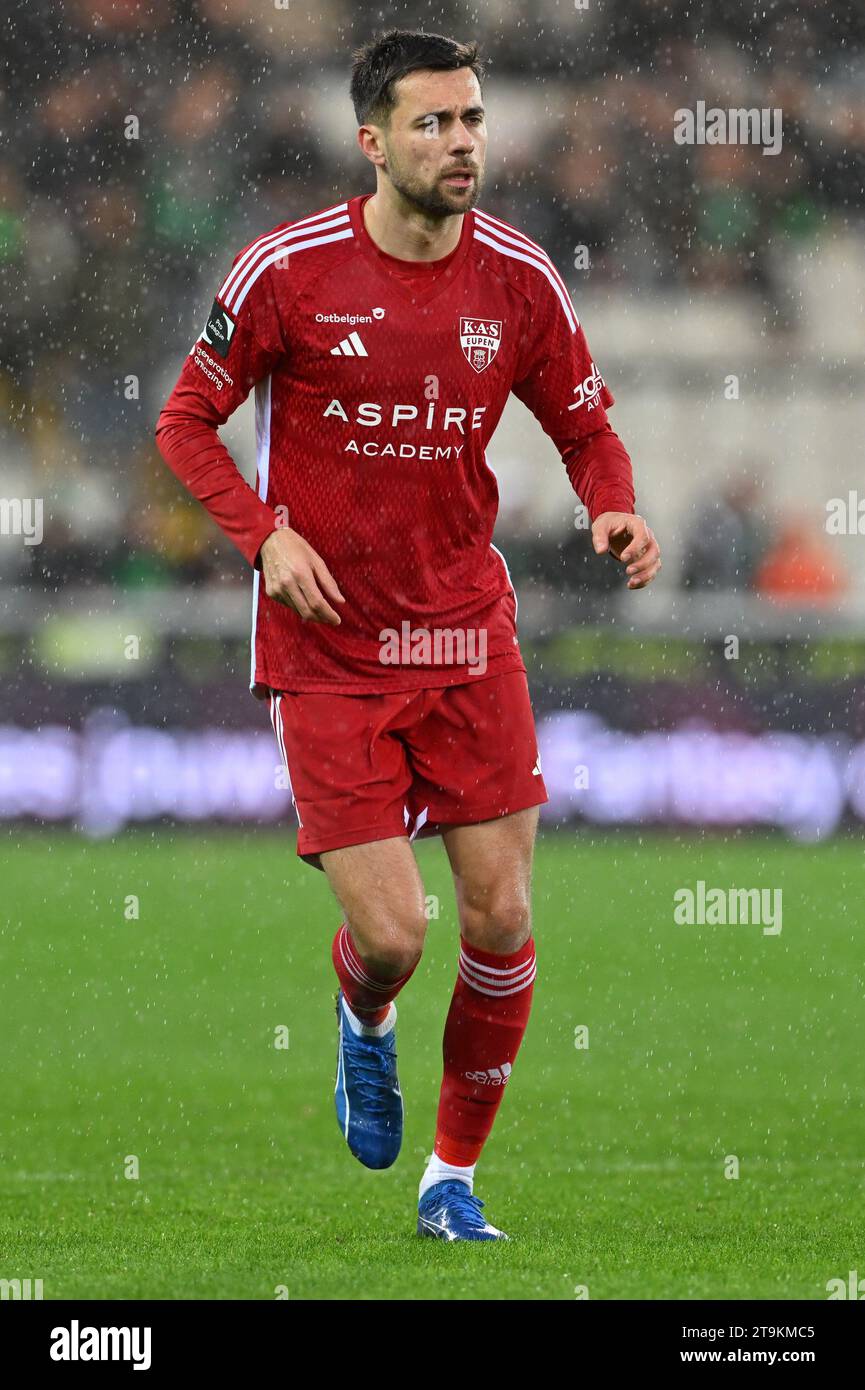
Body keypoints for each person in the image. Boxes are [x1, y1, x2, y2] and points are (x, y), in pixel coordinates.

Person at [155, 28, 661, 1242]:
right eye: (432, 124)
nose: (462, 142)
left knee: (501, 919)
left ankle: (451, 1179)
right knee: (392, 937)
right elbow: (184, 423)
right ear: (371, 142)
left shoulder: (521, 280)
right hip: (328, 647)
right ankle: (363, 1017)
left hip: (464, 635)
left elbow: (584, 422)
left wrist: (614, 503)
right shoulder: (287, 270)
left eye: (473, 119)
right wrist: (266, 536)